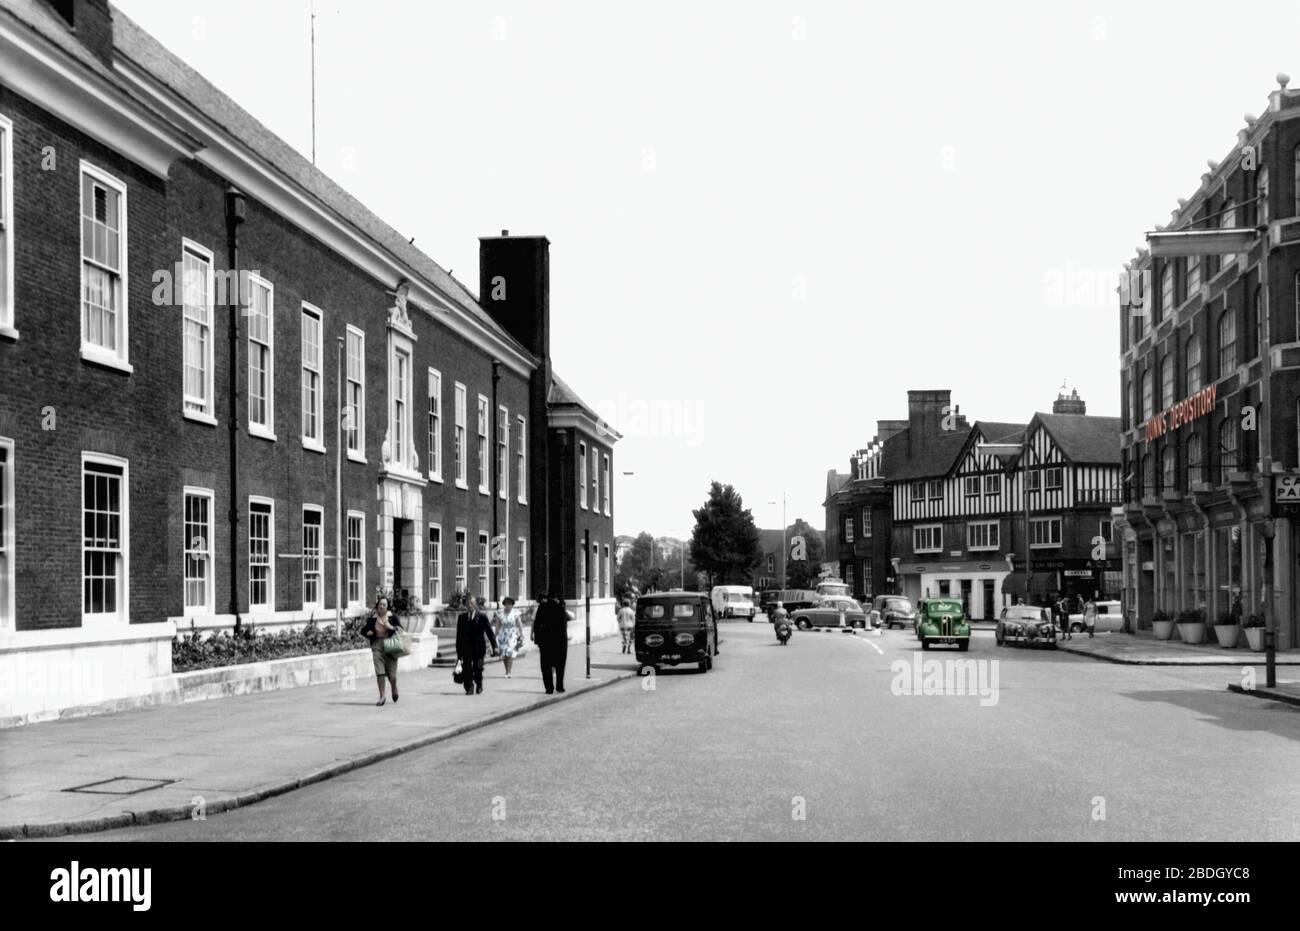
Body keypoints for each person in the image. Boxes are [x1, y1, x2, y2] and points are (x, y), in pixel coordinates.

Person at [360, 596, 402, 706]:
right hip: (377, 646)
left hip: (391, 646)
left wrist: (392, 628)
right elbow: (363, 630)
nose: (382, 606)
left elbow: (400, 629)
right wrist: (368, 633)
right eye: (380, 604)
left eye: (384, 604)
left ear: (387, 607)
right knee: (380, 672)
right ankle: (382, 696)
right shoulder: (373, 618)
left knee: (392, 675)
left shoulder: (392, 617)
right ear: (377, 606)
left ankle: (394, 687)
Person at [456, 595, 499, 695]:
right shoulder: (461, 618)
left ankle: (479, 684)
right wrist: (458, 651)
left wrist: (495, 646)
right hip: (466, 648)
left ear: (475, 605)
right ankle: (469, 687)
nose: (469, 605)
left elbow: (489, 632)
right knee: (467, 668)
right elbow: (459, 636)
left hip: (478, 648)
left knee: (477, 668)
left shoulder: (482, 617)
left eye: (471, 603)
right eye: (468, 604)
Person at [531, 590, 570, 694]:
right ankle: (559, 686)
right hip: (559, 642)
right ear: (557, 598)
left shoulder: (542, 608)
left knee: (546, 666)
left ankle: (549, 688)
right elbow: (564, 626)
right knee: (560, 666)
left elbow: (536, 626)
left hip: (545, 643)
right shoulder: (560, 608)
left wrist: (538, 641)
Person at [493, 596, 523, 678]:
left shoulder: (515, 612)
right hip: (502, 635)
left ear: (512, 605)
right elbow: (497, 625)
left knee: (510, 652)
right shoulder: (500, 613)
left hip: (512, 635)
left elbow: (519, 624)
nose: (508, 606)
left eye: (510, 604)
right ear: (504, 604)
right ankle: (506, 670)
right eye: (506, 604)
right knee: (504, 654)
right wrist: (495, 637)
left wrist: (521, 633)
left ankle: (509, 671)